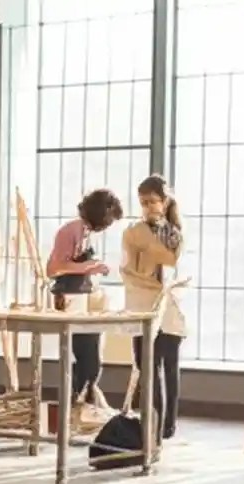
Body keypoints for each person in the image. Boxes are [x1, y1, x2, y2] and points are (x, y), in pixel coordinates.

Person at [121, 174, 186, 440]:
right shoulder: (132, 232)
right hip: (142, 305)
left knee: (169, 365)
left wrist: (152, 255)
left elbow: (174, 263)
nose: (148, 207)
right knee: (146, 365)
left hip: (170, 306)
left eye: (152, 201)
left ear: (164, 201)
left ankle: (168, 425)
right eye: (143, 202)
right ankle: (153, 423)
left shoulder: (175, 232)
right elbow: (130, 268)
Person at [46, 188, 122, 408]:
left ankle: (83, 402)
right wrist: (89, 266)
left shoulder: (85, 232)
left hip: (84, 296)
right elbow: (54, 268)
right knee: (86, 355)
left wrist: (92, 269)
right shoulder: (70, 230)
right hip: (70, 297)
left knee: (92, 356)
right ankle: (78, 404)